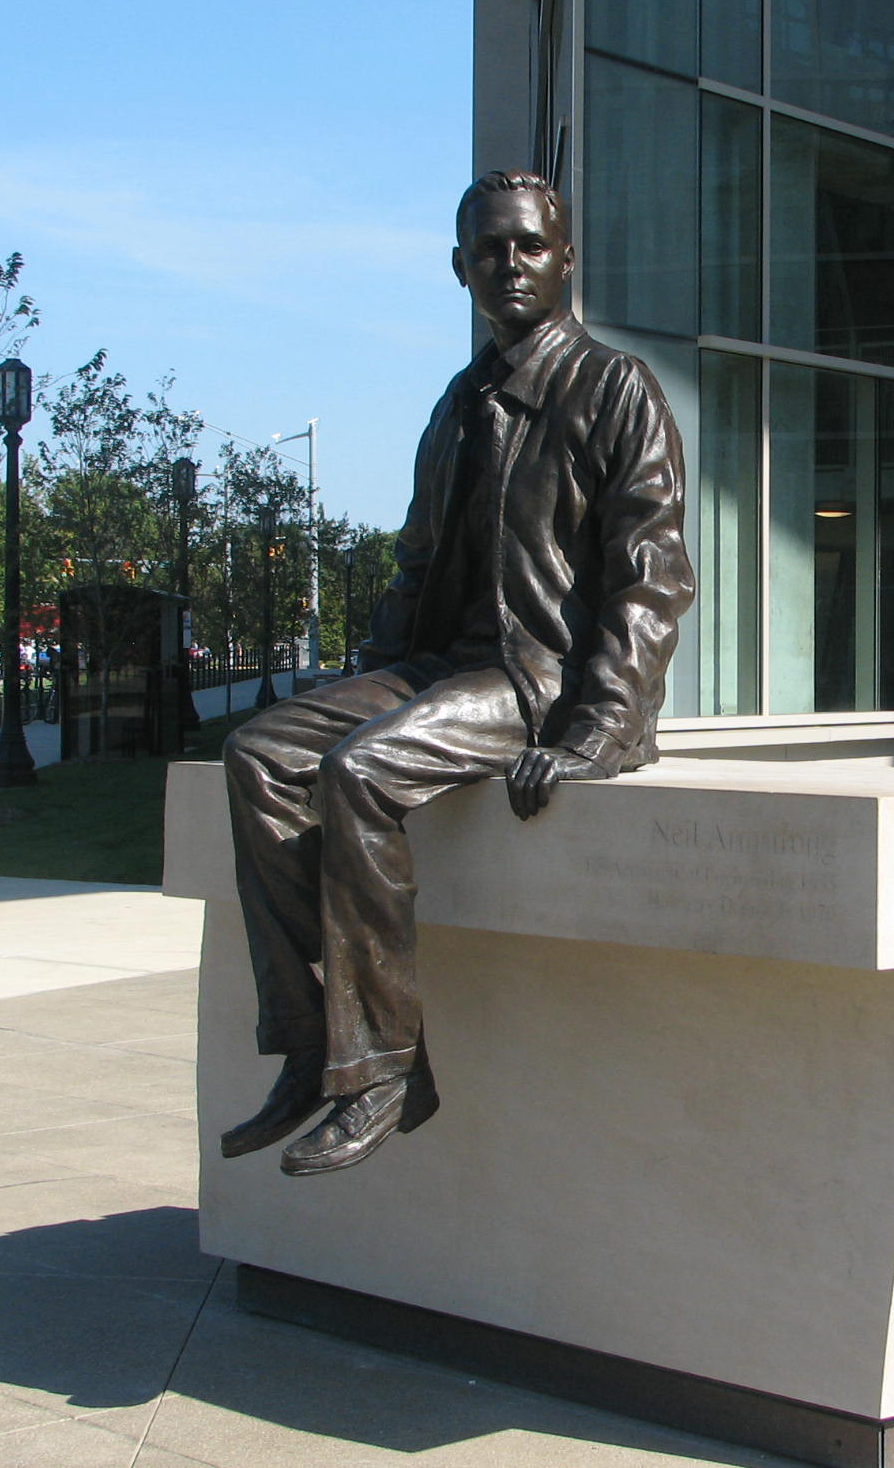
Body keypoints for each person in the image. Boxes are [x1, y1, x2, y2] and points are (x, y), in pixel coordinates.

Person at [219, 170, 695, 1177]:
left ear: (566, 260)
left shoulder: (614, 388)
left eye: (530, 246)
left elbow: (650, 577)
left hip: (542, 679)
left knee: (359, 773)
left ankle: (384, 1069)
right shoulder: (458, 402)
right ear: (458, 267)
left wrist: (599, 728)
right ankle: (312, 1045)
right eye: (488, 249)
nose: (508, 264)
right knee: (260, 754)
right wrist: (364, 685)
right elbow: (415, 564)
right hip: (445, 666)